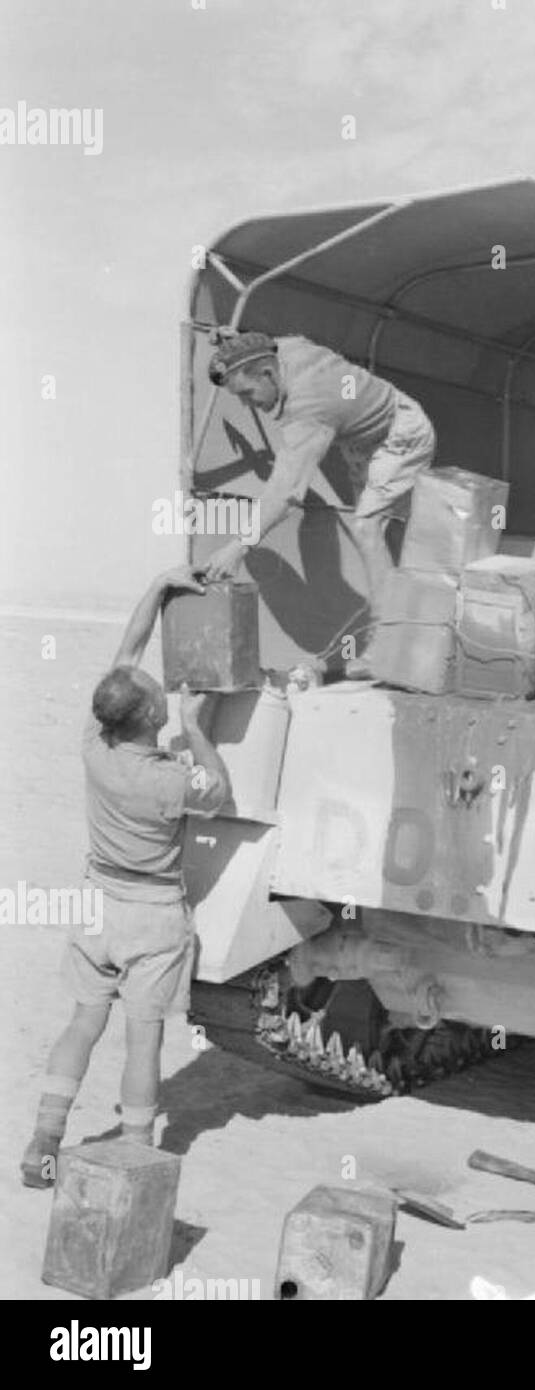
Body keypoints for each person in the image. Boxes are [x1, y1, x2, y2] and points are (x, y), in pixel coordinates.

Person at [20, 567, 230, 1188]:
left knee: (84, 1023)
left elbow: (127, 654)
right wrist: (196, 730)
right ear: (145, 718)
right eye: (157, 700)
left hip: (97, 904)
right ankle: (137, 1153)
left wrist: (159, 588)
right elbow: (216, 793)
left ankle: (45, 1143)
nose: (161, 695)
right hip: (152, 915)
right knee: (144, 1041)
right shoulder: (168, 780)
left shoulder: (96, 742)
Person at [202, 330, 437, 675]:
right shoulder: (283, 351)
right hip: (365, 443)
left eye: (248, 394)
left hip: (401, 434)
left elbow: (285, 493)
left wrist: (239, 546)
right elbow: (274, 341)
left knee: (368, 528)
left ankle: (386, 647)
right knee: (384, 537)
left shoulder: (308, 407)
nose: (248, 405)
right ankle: (410, 631)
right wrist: (233, 343)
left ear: (268, 374)